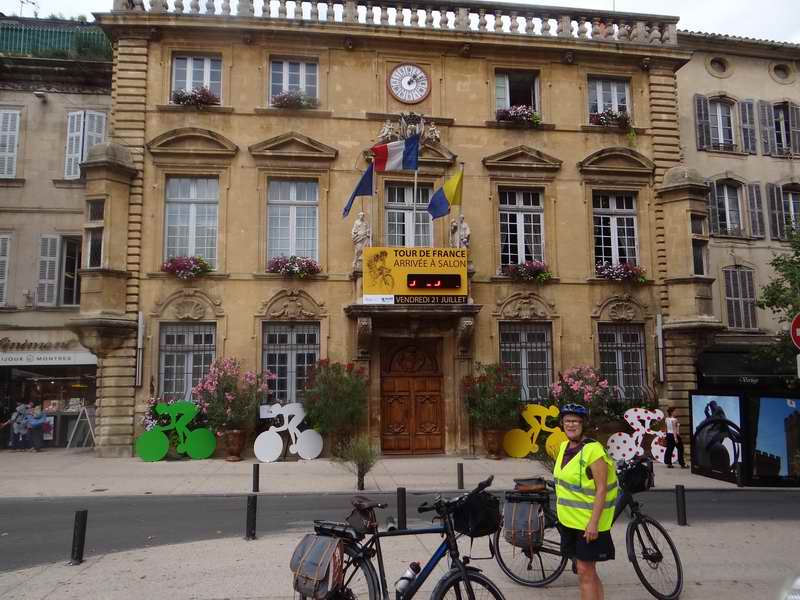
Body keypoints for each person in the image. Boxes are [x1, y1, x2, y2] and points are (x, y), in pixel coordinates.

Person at [553, 403, 618, 600]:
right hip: (568, 521)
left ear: (583, 424)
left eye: (575, 421)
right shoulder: (563, 447)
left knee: (584, 571)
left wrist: (594, 523)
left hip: (587, 523)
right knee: (587, 571)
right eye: (567, 421)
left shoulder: (593, 451)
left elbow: (601, 489)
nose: (570, 425)